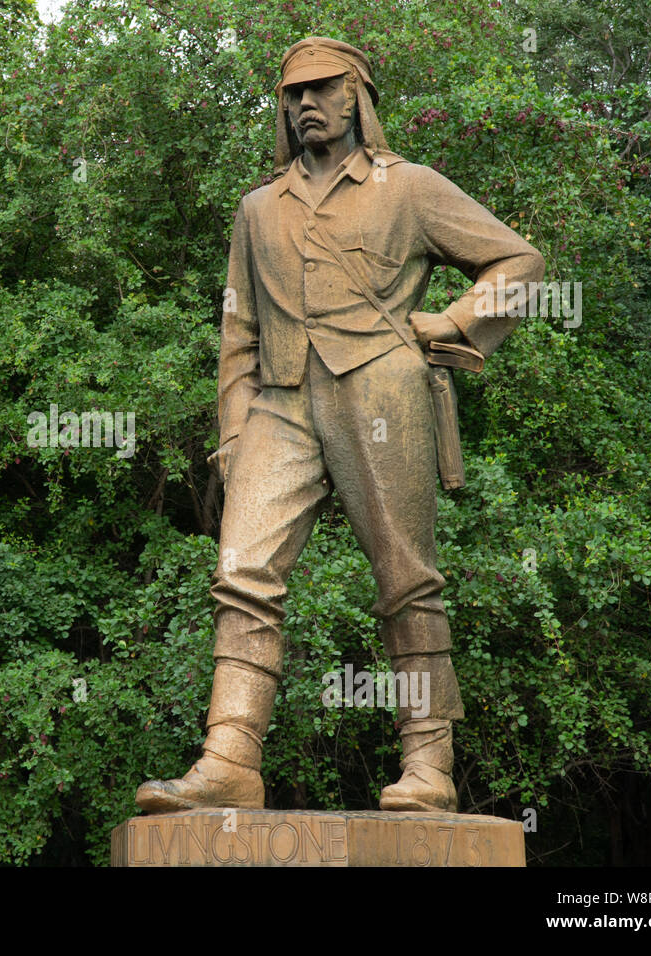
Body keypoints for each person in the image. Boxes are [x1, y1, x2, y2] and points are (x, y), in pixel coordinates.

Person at [136, 37, 545, 814]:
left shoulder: (411, 188)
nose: (305, 105)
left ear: (357, 95)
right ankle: (228, 759)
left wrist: (450, 322)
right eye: (292, 95)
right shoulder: (257, 208)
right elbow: (238, 331)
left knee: (407, 579)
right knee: (242, 574)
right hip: (279, 405)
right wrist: (232, 434)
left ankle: (428, 763)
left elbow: (518, 262)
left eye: (322, 90)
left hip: (380, 391)